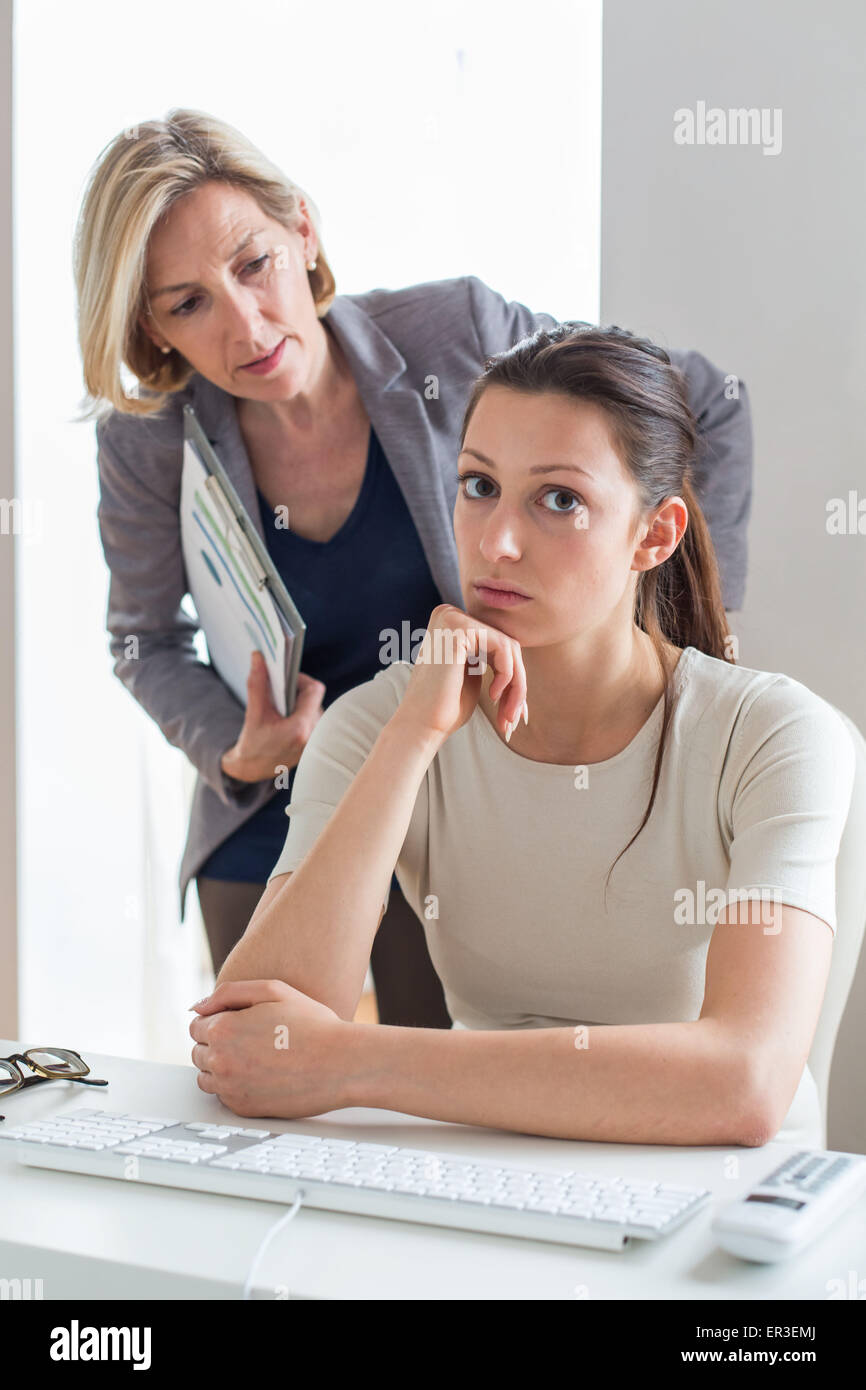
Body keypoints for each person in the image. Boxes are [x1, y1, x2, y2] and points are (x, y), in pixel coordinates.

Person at [78, 107, 753, 1028]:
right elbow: (145, 640)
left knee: (438, 1080)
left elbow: (697, 402)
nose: (244, 323)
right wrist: (238, 750)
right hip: (271, 804)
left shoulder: (451, 334)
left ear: (302, 231)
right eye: (187, 303)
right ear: (154, 331)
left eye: (252, 264)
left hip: (457, 783)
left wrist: (681, 640)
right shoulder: (148, 442)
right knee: (258, 1060)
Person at [190, 323, 855, 1149]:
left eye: (560, 499)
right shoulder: (383, 722)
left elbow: (746, 1082)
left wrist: (354, 1063)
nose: (496, 543)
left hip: (722, 1198)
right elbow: (253, 1042)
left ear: (655, 534)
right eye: (478, 485)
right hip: (495, 1171)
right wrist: (410, 739)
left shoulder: (775, 737)